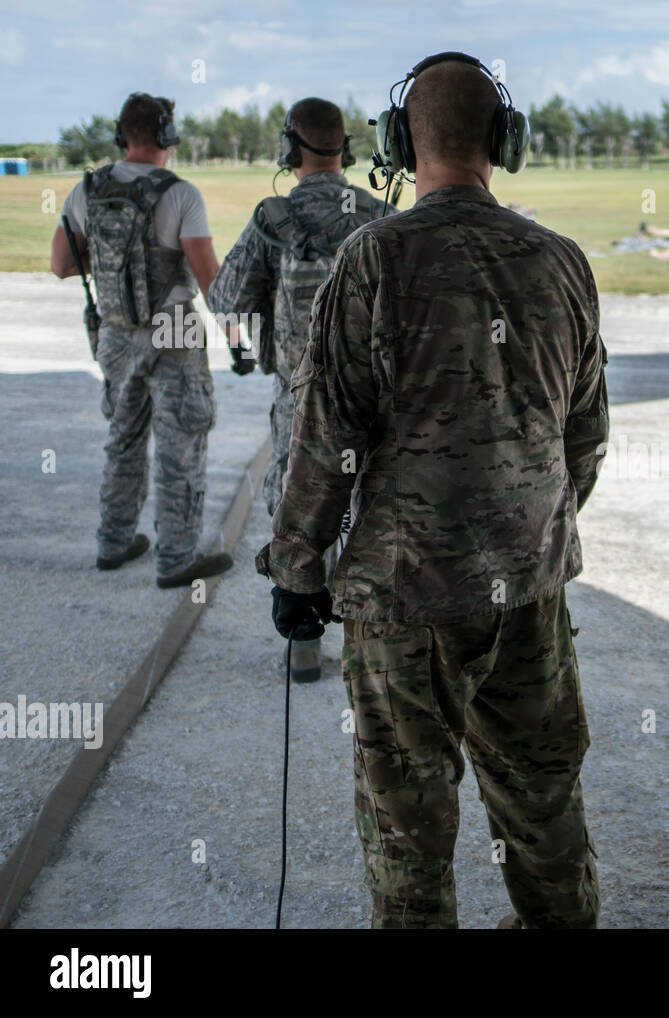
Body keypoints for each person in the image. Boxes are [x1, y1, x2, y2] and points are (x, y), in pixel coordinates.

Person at [256, 52, 608, 930]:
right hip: (528, 589)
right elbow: (586, 435)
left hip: (404, 598)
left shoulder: (371, 259)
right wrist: (527, 523)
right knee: (543, 799)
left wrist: (297, 566)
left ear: (401, 148)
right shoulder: (561, 261)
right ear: (503, 142)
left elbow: (327, 433)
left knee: (407, 829)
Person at [208, 97, 390, 683]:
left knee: (296, 510)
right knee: (369, 507)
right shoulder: (379, 215)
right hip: (373, 403)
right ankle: (372, 642)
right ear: (346, 149)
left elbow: (224, 298)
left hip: (298, 404)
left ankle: (304, 640)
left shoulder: (272, 218)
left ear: (290, 148)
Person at [50, 92, 233, 588]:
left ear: (121, 135)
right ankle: (176, 560)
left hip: (115, 336)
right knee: (181, 444)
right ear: (166, 136)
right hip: (172, 333)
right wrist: (237, 333)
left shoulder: (85, 190)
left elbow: (62, 265)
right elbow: (210, 279)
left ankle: (113, 542)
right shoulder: (180, 194)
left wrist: (117, 267)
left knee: (123, 439)